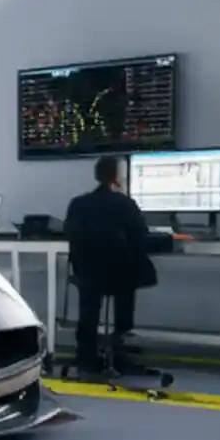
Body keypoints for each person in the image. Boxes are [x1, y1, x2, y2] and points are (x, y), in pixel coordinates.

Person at [64, 156, 158, 374]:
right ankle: (120, 342)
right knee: (128, 277)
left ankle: (86, 353)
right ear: (117, 178)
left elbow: (70, 233)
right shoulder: (126, 204)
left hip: (86, 275)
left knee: (91, 291)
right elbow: (141, 238)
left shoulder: (78, 204)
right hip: (119, 277)